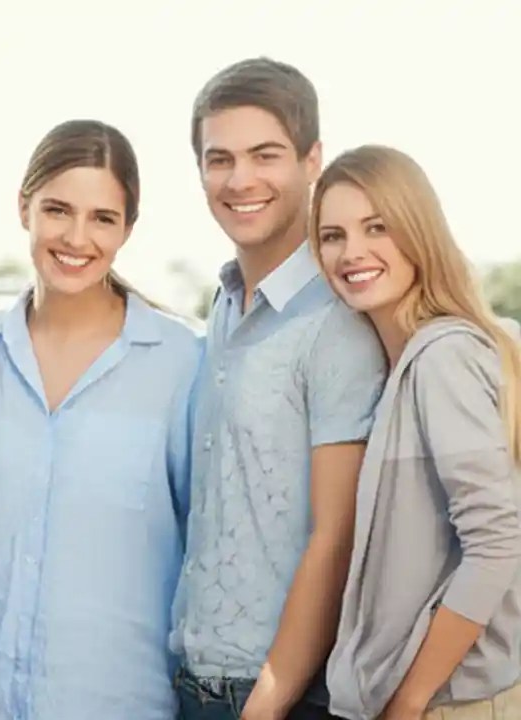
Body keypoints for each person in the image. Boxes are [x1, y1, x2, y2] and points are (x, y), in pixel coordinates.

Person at [0, 119, 202, 719]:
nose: (76, 237)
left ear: (128, 229)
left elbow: (209, 543)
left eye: (103, 218)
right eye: (58, 210)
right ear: (24, 209)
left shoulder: (182, 364)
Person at [169, 57, 388, 720]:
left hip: (281, 698)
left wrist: (266, 703)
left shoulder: (336, 322)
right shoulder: (225, 305)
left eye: (265, 155)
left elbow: (338, 534)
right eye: (219, 159)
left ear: (312, 159)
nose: (240, 180)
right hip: (193, 681)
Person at [309, 145, 521, 720]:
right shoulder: (411, 364)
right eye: (332, 236)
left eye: (376, 227)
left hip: (452, 702)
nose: (352, 252)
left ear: (418, 230)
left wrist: (407, 702)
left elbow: (497, 541)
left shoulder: (442, 357)